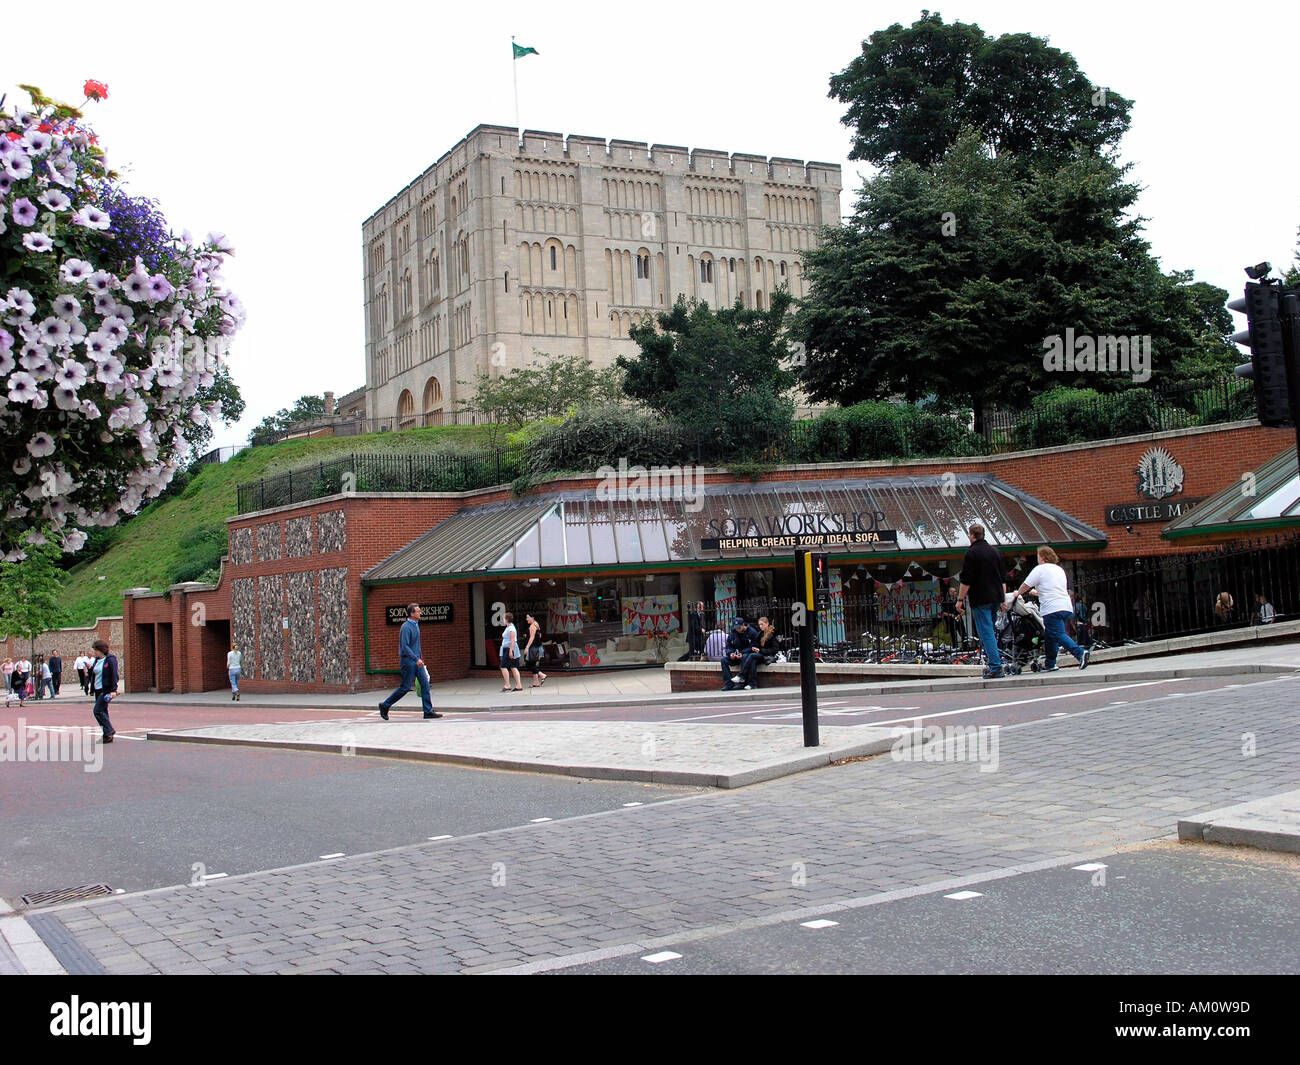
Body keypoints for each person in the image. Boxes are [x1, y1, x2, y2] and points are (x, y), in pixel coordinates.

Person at [1012, 546, 1089, 672]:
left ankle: (1080, 653)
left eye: (1038, 556)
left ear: (1042, 557)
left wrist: (1018, 593)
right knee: (1050, 635)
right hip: (1065, 606)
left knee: (1058, 634)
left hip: (1051, 608)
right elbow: (1053, 589)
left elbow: (1026, 584)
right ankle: (1050, 663)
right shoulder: (1059, 569)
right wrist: (1036, 593)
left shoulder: (1040, 569)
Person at [956, 524, 1008, 679]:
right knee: (990, 631)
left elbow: (966, 580)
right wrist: (1003, 599)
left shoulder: (971, 554)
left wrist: (960, 600)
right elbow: (1002, 578)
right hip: (996, 597)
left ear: (971, 535)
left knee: (986, 633)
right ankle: (994, 663)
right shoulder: (995, 552)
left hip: (981, 598)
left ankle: (996, 667)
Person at [378, 603, 442, 720]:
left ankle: (428, 711)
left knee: (425, 685)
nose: (420, 613)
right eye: (418, 611)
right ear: (412, 614)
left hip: (417, 661)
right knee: (405, 687)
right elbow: (405, 646)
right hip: (408, 661)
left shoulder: (416, 625)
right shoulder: (406, 627)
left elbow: (416, 645)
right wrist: (416, 658)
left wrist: (421, 658)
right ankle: (385, 705)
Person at [89, 639, 118, 744]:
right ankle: (107, 735)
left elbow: (114, 675)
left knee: (97, 710)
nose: (94, 652)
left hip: (105, 690)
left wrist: (113, 690)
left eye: (96, 650)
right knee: (103, 711)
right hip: (97, 689)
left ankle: (109, 730)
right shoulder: (97, 660)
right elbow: (94, 673)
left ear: (101, 650)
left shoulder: (110, 660)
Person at [721, 616, 759, 691]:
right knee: (724, 660)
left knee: (745, 657)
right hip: (736, 655)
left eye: (739, 627)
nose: (737, 629)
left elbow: (754, 646)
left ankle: (742, 683)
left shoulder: (752, 632)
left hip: (746, 654)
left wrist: (742, 653)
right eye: (736, 627)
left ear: (743, 625)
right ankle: (729, 683)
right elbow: (729, 645)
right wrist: (731, 653)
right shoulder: (733, 633)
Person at [498, 612, 524, 692]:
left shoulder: (511, 629)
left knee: (503, 666)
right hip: (507, 648)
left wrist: (510, 651)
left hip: (509, 648)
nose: (503, 620)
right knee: (513, 667)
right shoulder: (509, 627)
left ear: (507, 619)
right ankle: (518, 685)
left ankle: (507, 685)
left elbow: (513, 640)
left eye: (503, 618)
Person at [523, 613, 548, 688]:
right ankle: (536, 682)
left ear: (532, 617)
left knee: (528, 664)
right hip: (537, 647)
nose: (526, 619)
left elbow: (532, 637)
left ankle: (542, 674)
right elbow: (539, 635)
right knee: (533, 664)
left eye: (528, 617)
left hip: (533, 648)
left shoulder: (532, 626)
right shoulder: (536, 624)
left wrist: (527, 647)